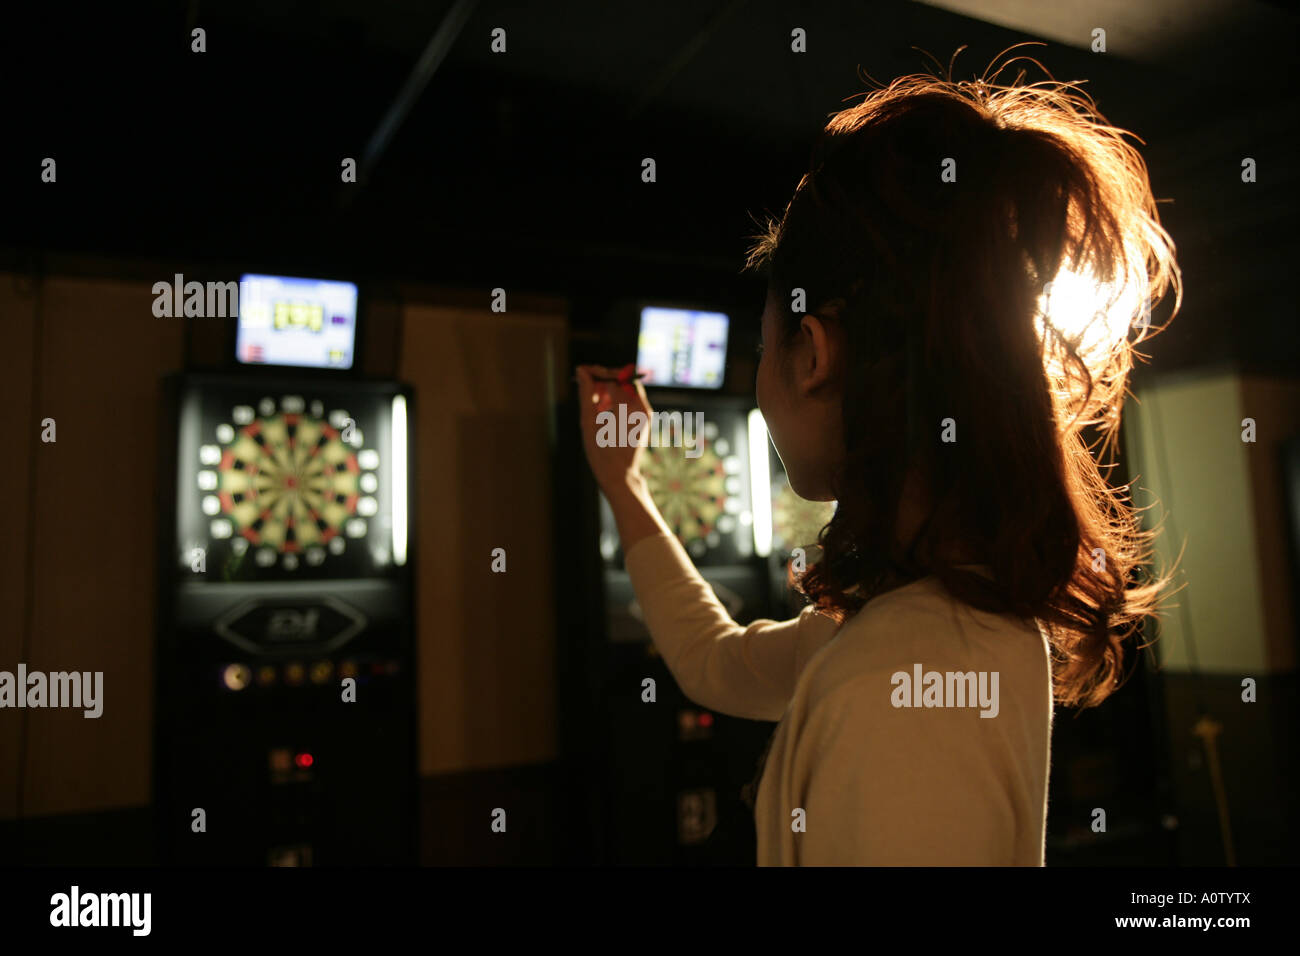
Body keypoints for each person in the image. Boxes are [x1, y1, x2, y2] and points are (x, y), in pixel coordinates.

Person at [575, 55, 1180, 866]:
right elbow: (716, 664)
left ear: (812, 351)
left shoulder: (897, 676)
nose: (759, 384)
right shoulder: (913, 622)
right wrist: (625, 483)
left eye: (765, 345)